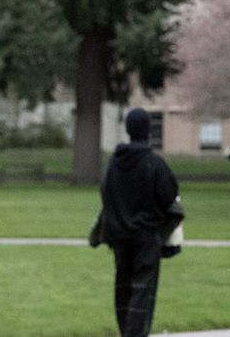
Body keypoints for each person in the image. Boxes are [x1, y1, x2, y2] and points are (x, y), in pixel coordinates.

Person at [100, 108, 181, 337]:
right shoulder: (154, 163)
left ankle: (125, 329)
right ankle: (135, 333)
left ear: (127, 129)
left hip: (118, 234)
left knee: (123, 285)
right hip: (146, 235)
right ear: (149, 130)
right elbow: (169, 195)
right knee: (142, 290)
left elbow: (105, 192)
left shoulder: (114, 163)